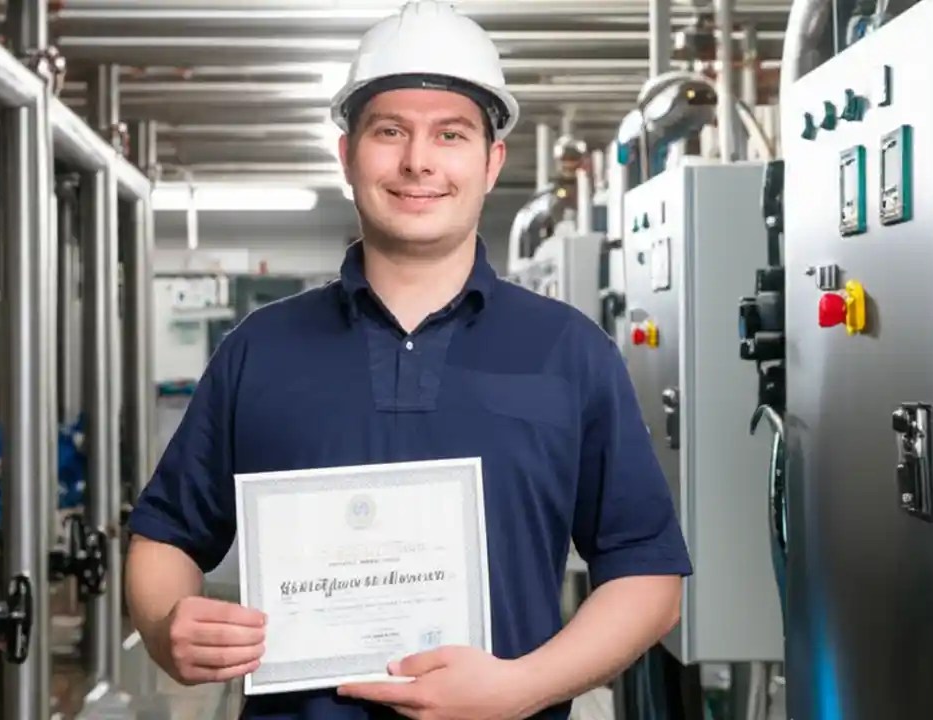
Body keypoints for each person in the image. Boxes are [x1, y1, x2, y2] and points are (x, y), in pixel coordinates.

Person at [124, 2, 692, 718]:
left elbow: (648, 577)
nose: (418, 161)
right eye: (389, 131)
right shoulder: (259, 349)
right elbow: (164, 539)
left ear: (490, 162)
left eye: (450, 134)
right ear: (347, 156)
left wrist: (520, 688)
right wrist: (165, 625)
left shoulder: (570, 352)